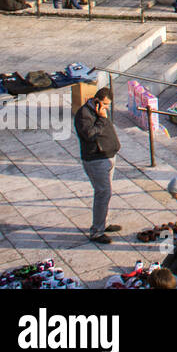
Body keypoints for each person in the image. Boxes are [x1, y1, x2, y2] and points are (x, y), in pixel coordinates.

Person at [74, 87, 121, 244]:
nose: (107, 107)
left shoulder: (101, 111)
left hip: (108, 156)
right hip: (95, 159)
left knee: (106, 193)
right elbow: (89, 135)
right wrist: (101, 118)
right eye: (105, 104)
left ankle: (104, 223)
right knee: (103, 193)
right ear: (96, 101)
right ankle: (97, 231)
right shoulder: (83, 114)